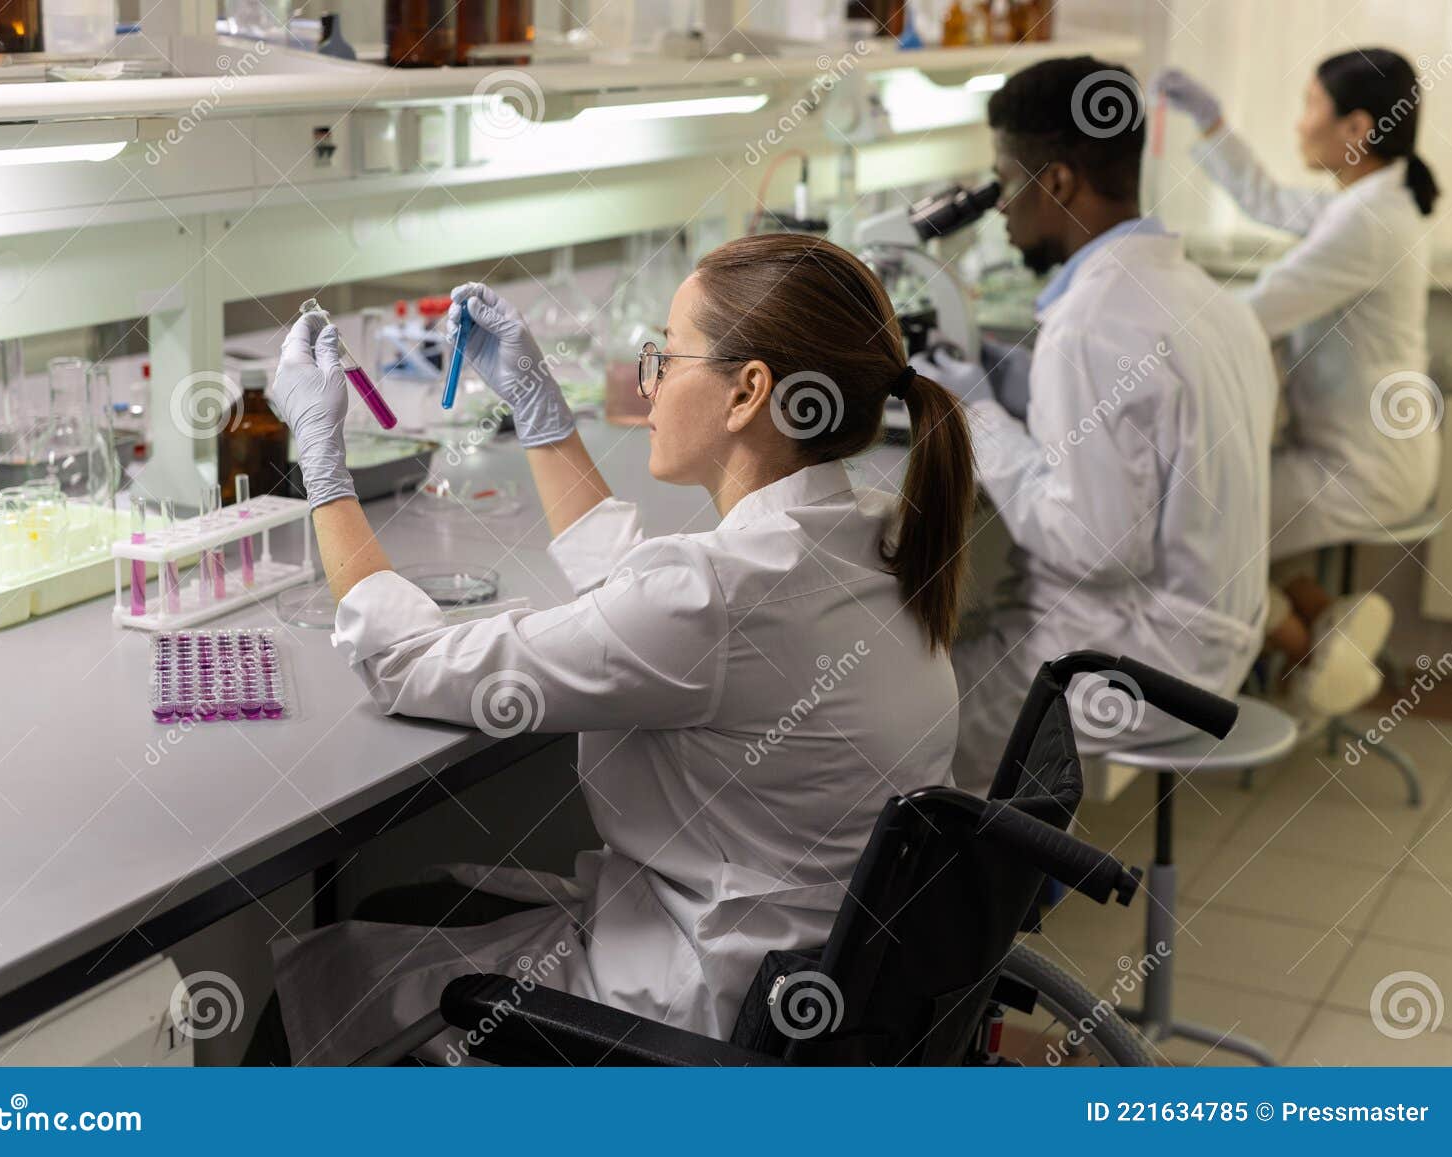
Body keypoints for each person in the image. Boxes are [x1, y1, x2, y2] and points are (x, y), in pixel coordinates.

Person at [248, 233, 976, 1065]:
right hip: (809, 992)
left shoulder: (718, 595)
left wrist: (322, 462)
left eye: (665, 357)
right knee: (407, 901)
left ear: (748, 392)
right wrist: (535, 402)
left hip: (689, 1022)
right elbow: (642, 604)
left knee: (311, 996)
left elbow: (406, 663)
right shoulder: (870, 535)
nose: (648, 381)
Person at [932, 57, 1277, 795]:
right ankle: (1022, 868)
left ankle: (978, 899)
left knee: (902, 717)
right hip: (1205, 642)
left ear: (1055, 182)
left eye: (1004, 179)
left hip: (1132, 666)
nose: (997, 206)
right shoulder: (1208, 299)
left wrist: (977, 411)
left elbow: (1094, 548)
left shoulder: (1089, 325)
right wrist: (1021, 386)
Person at [1157, 49, 1440, 709]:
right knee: (1240, 501)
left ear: (1355, 128)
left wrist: (1151, 327)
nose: (1299, 123)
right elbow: (1268, 200)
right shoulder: (1374, 195)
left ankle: (1310, 650)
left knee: (1203, 528)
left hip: (1365, 465)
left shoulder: (1370, 221)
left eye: (1311, 105)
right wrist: (1213, 123)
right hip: (1355, 448)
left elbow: (1253, 313)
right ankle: (1327, 619)